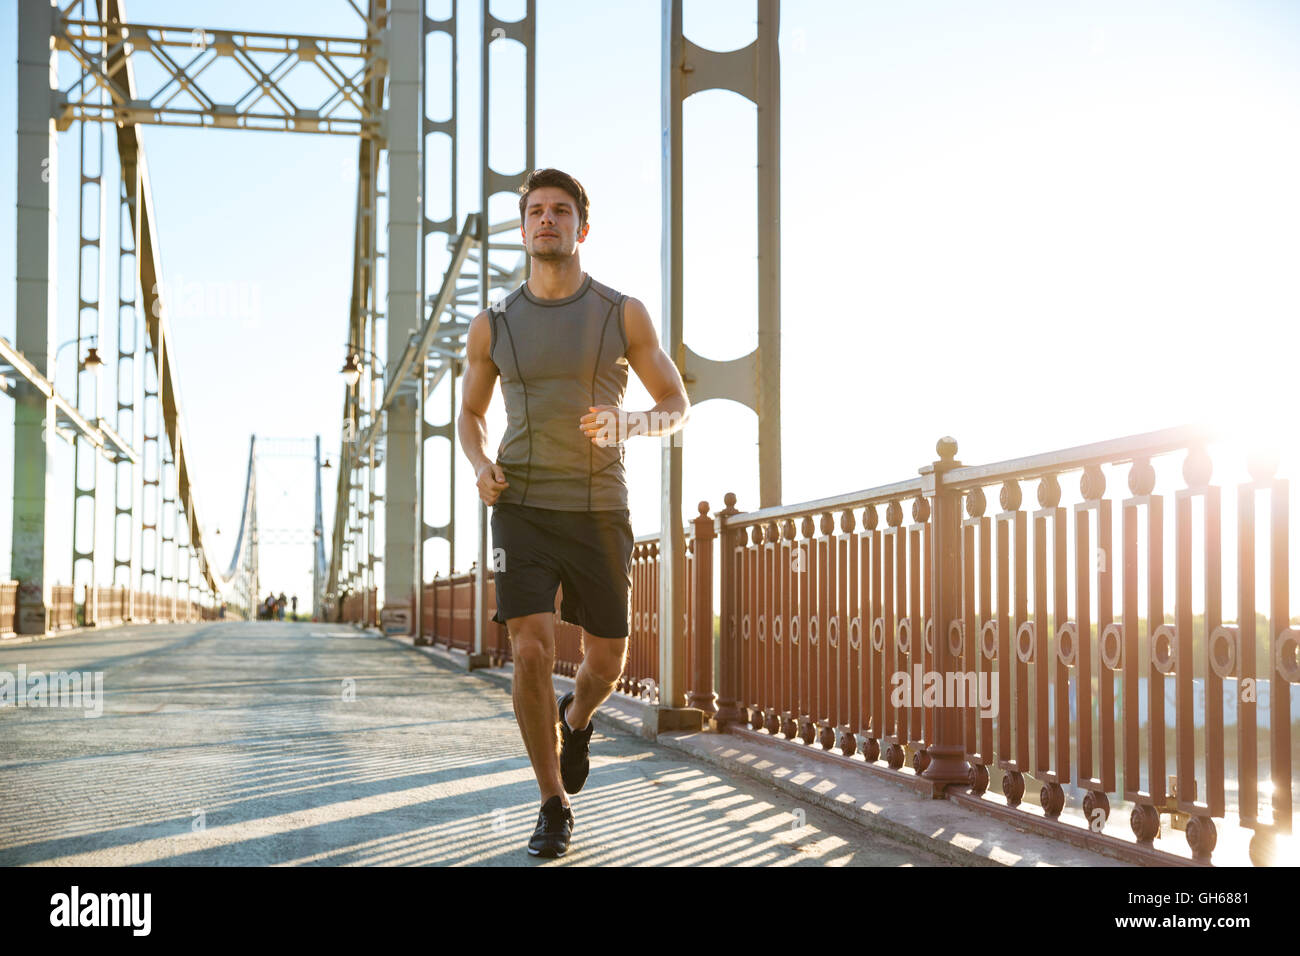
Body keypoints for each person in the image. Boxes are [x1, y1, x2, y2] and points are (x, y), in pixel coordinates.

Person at [457, 168, 690, 857]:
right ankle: (552, 802)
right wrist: (478, 464)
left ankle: (578, 715)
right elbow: (469, 415)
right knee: (528, 648)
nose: (547, 220)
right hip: (521, 503)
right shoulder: (493, 323)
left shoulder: (623, 313)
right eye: (536, 212)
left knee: (606, 661)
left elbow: (676, 407)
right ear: (523, 229)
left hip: (597, 508)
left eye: (561, 211)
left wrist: (633, 424)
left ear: (581, 229)